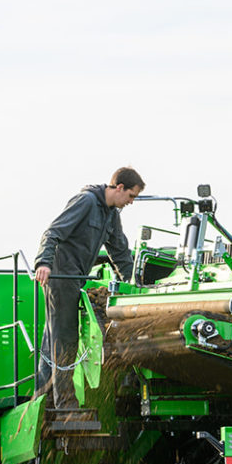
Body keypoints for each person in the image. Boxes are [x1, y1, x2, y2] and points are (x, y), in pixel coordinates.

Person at [33, 167, 144, 406]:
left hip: (77, 278)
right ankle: (65, 402)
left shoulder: (111, 214)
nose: (131, 202)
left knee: (53, 335)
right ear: (119, 187)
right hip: (61, 277)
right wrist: (43, 263)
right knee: (66, 337)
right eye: (131, 196)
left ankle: (42, 397)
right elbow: (52, 232)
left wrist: (136, 285)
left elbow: (121, 253)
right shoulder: (85, 202)